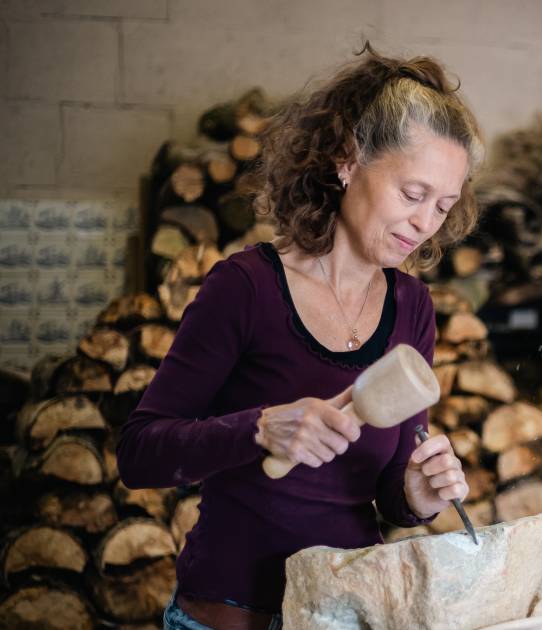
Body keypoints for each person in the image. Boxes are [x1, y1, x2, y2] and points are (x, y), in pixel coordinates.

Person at [117, 43, 485, 630]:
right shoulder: (247, 287)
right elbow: (139, 453)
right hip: (228, 616)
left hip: (343, 614)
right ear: (347, 161)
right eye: (412, 194)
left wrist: (415, 496)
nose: (425, 222)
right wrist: (260, 427)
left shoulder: (412, 307)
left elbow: (387, 487)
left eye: (443, 206)